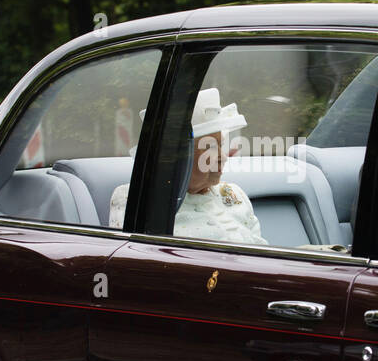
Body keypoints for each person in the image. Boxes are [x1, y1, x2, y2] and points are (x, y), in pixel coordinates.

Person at [108, 88, 267, 245]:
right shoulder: (136, 198)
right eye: (209, 147)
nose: (223, 157)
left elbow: (262, 253)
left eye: (221, 145)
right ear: (178, 157)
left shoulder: (234, 194)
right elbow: (138, 257)